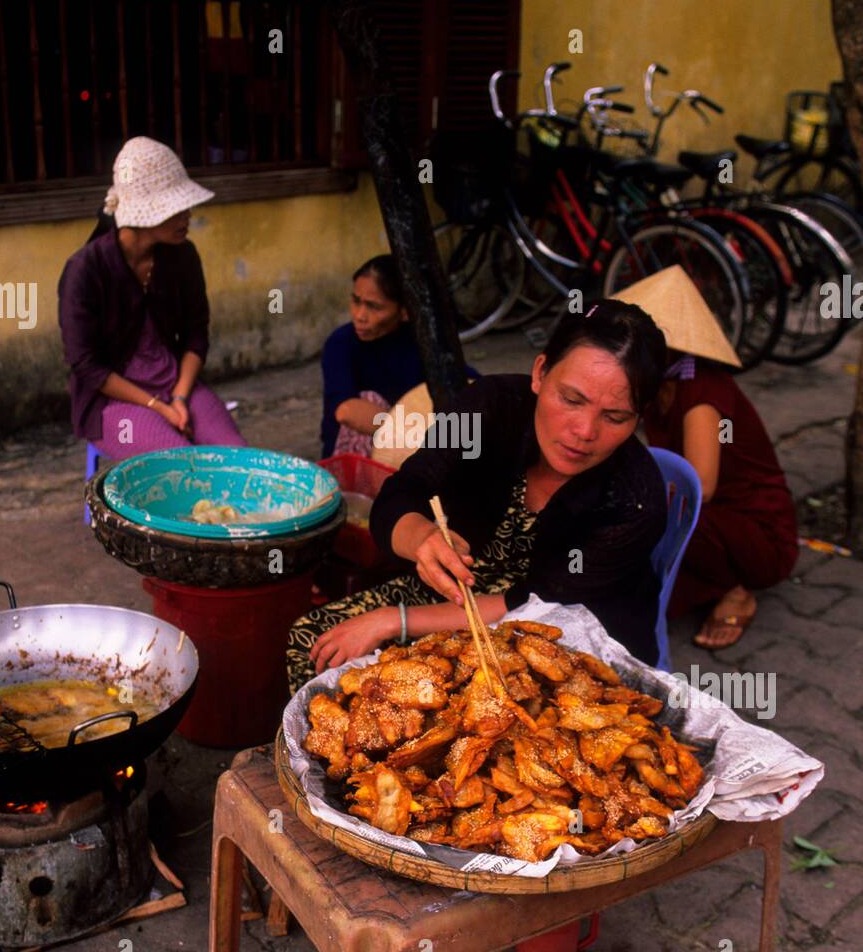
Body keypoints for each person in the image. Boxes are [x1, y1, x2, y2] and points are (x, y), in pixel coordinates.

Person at [287, 299, 669, 692]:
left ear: (638, 418)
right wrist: (422, 539)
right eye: (571, 400)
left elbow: (533, 603)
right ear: (540, 373)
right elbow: (405, 491)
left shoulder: (635, 500)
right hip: (461, 587)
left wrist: (394, 620)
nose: (585, 431)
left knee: (480, 706)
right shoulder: (487, 408)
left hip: (565, 630)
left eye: (615, 417)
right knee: (317, 642)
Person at [615, 266, 798, 649]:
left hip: (755, 533)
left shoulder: (702, 392)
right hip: (717, 520)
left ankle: (737, 589)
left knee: (654, 514)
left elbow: (701, 487)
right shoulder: (656, 385)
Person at [58, 137, 246, 459]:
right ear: (143, 214)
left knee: (241, 461)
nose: (187, 215)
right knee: (186, 469)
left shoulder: (182, 256)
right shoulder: (84, 271)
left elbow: (195, 334)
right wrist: (157, 407)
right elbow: (87, 366)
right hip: (113, 402)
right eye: (176, 207)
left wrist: (179, 399)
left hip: (175, 386)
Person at [320, 254, 478, 459]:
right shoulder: (341, 343)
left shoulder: (422, 342)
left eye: (373, 307)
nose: (360, 315)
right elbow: (346, 411)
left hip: (411, 445)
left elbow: (466, 383)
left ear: (404, 312)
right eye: (356, 301)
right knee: (370, 399)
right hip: (361, 456)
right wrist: (416, 436)